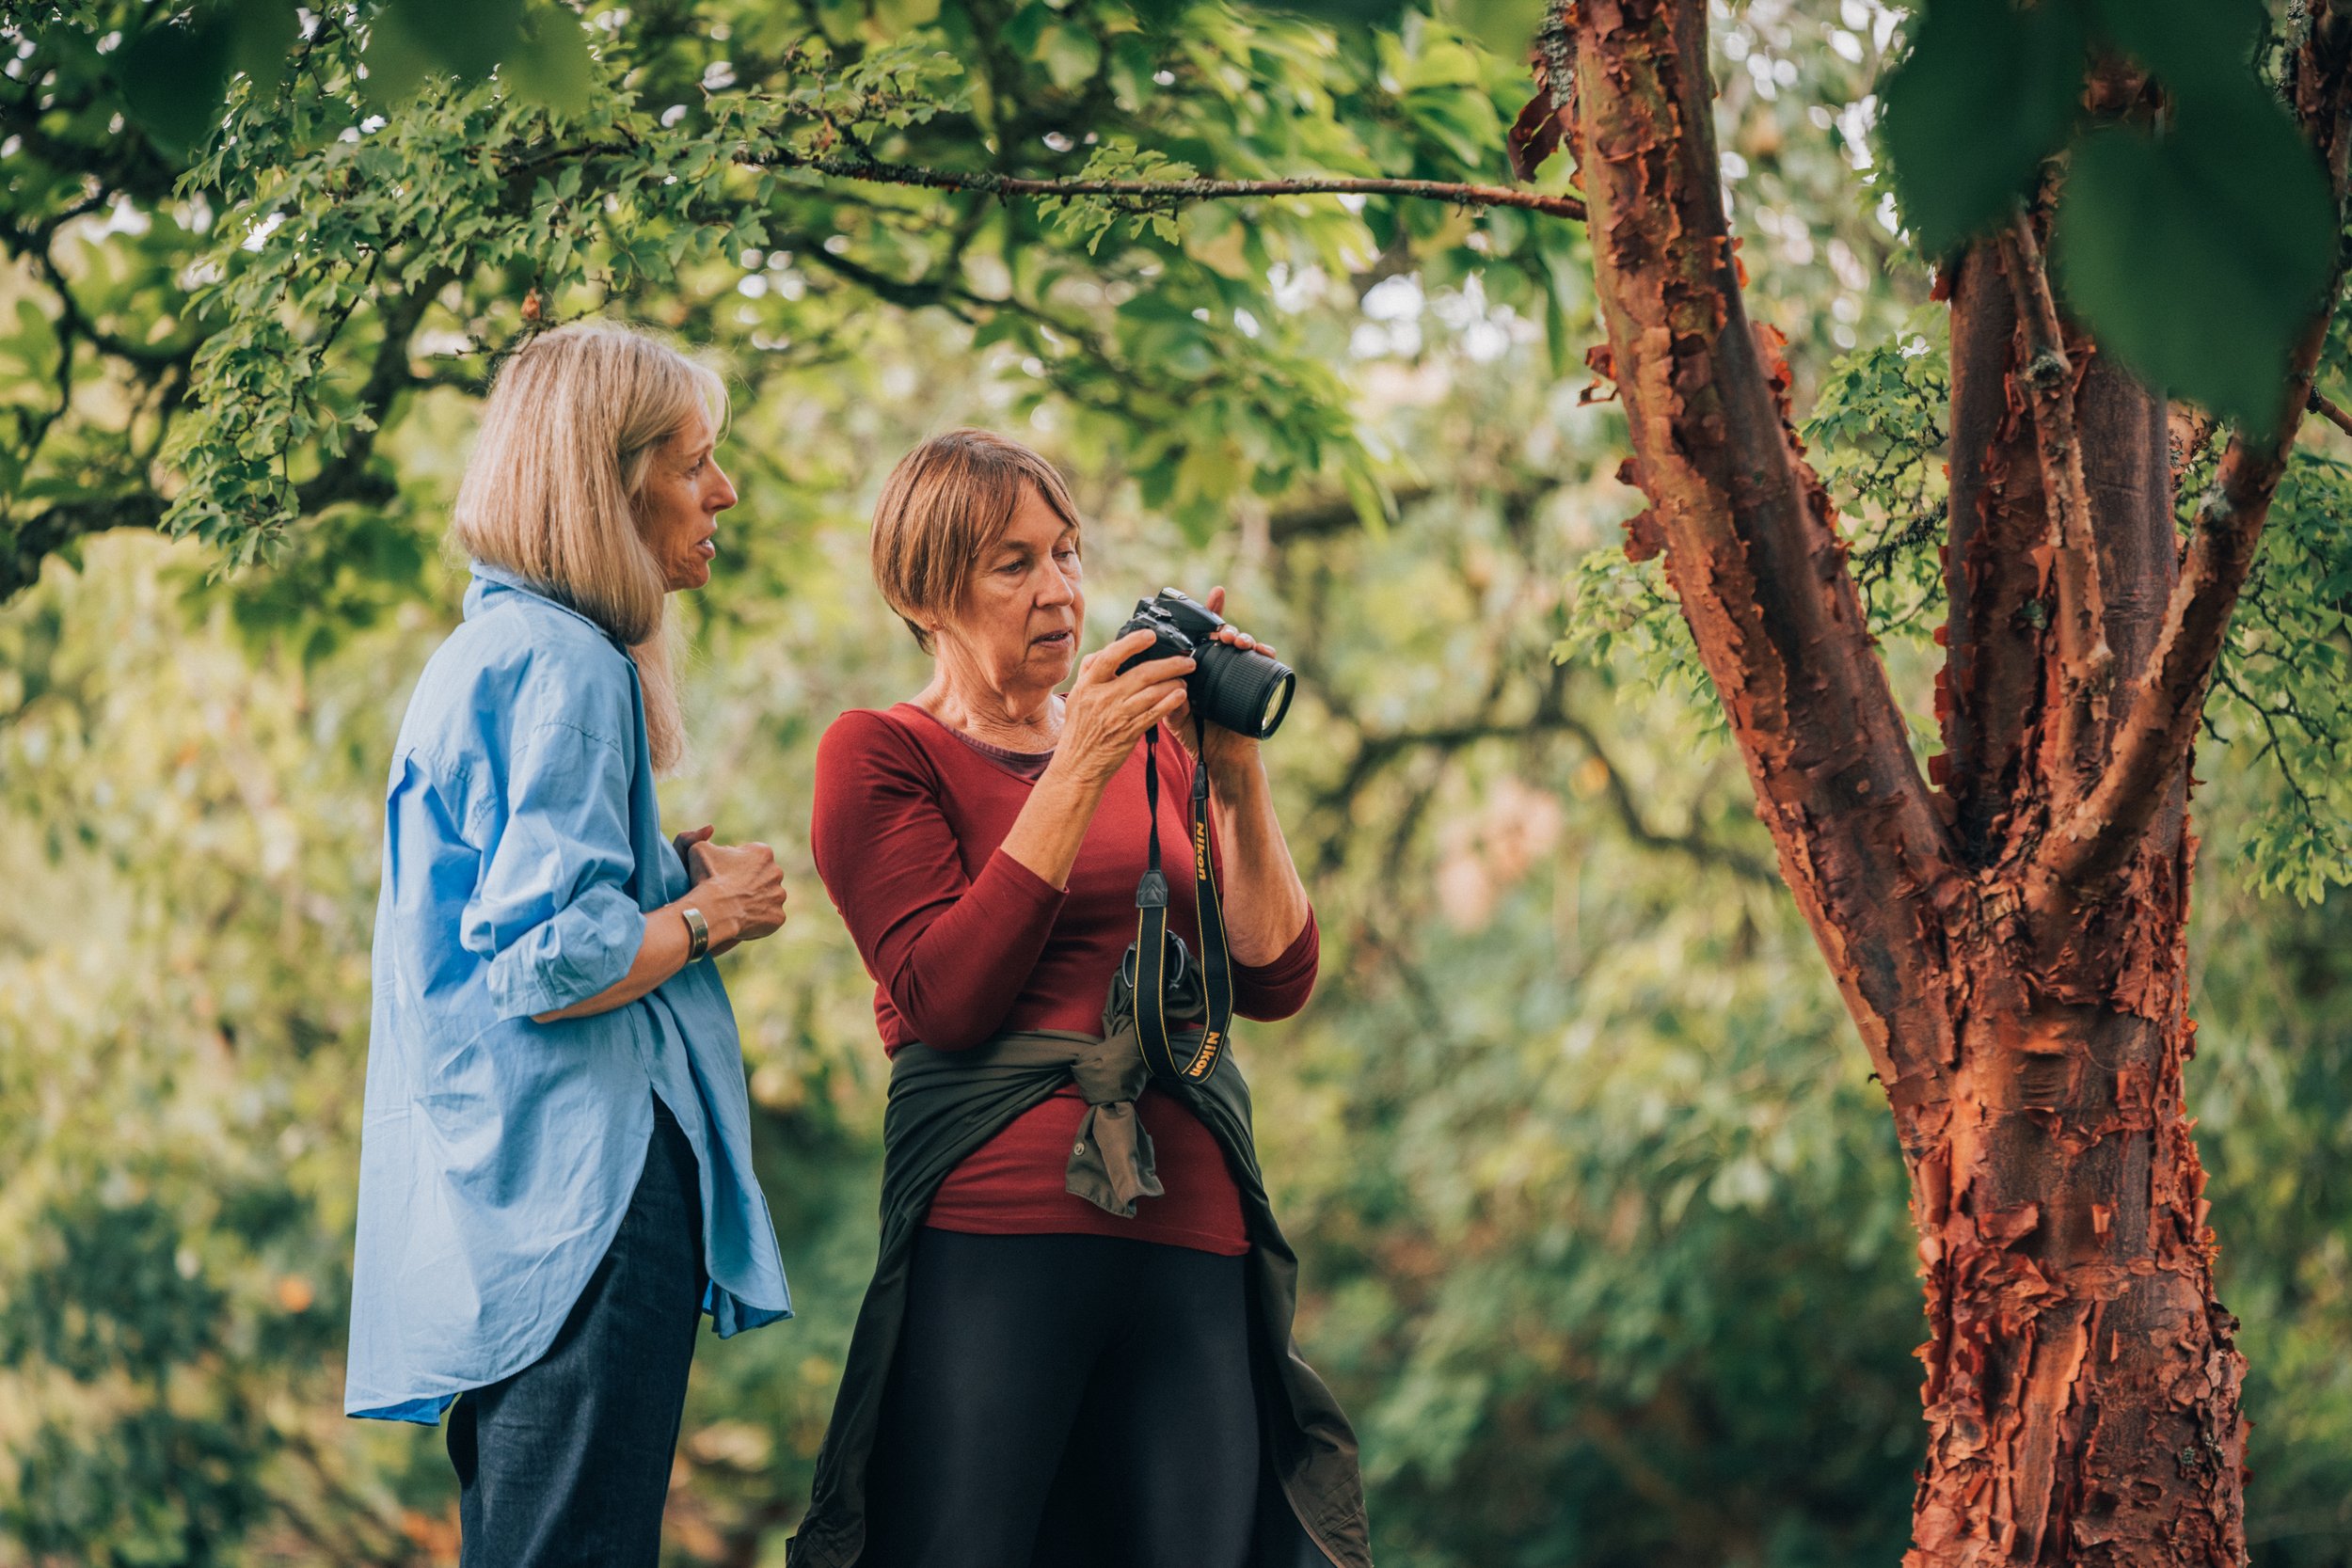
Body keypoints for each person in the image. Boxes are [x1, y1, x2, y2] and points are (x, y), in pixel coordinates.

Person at [793, 428, 1370, 1568]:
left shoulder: (1150, 753)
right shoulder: (878, 753)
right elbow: (948, 998)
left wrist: (1233, 777)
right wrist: (1080, 763)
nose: (1059, 590)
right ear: (925, 588)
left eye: (1066, 552)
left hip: (1193, 1226)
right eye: (1014, 564)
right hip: (999, 1230)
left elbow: (1276, 977)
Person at [344, 321, 794, 1566]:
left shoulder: (485, 651)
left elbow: (508, 919)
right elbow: (552, 959)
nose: (724, 491)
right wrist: (715, 914)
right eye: (696, 461)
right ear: (612, 479)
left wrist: (654, 875)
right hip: (585, 1197)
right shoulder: (569, 662)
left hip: (503, 1206)